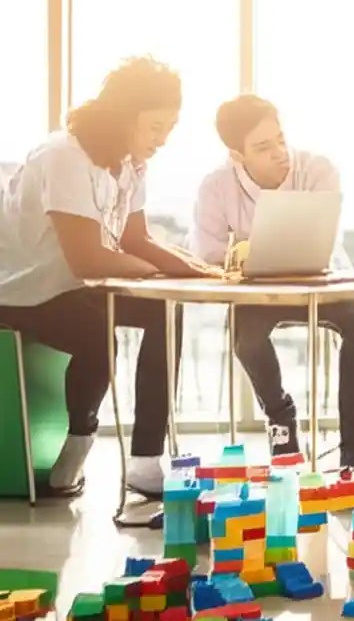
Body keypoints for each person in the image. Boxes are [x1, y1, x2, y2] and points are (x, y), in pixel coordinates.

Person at [0, 56, 218, 498]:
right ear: (124, 117)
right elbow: (88, 259)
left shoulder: (130, 164)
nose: (162, 140)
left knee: (163, 311)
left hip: (66, 289)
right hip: (19, 289)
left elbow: (136, 240)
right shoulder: (62, 155)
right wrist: (163, 272)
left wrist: (198, 270)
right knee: (97, 333)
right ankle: (78, 447)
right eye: (155, 127)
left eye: (169, 129)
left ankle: (144, 460)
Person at [191, 94, 354, 468]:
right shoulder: (215, 187)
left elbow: (323, 238)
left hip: (325, 280)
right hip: (259, 290)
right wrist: (242, 258)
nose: (280, 152)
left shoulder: (316, 169)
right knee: (245, 335)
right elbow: (209, 256)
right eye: (263, 147)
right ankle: (280, 416)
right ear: (237, 154)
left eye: (280, 139)